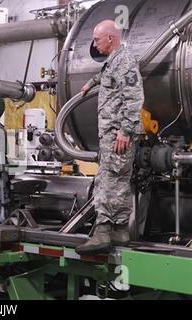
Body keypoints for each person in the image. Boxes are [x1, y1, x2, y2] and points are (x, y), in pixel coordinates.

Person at [75, 20, 144, 255]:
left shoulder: (123, 62)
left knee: (107, 180)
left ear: (110, 39)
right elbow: (111, 80)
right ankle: (120, 230)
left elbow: (134, 98)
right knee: (119, 182)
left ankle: (102, 232)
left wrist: (125, 130)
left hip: (117, 134)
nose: (94, 44)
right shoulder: (114, 62)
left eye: (97, 39)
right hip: (115, 134)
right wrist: (91, 82)